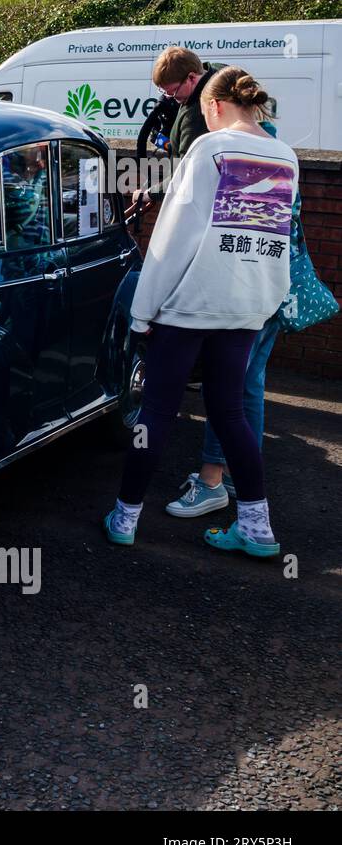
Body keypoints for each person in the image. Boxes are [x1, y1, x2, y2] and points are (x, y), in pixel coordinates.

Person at [104, 66, 297, 559]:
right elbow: (274, 244)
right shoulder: (286, 157)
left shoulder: (211, 149)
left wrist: (143, 310)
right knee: (231, 414)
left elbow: (173, 237)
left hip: (189, 307)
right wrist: (263, 302)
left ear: (213, 105)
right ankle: (257, 527)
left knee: (156, 413)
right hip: (246, 309)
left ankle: (125, 516)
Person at [132, 47, 218, 210]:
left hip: (199, 204)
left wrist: (148, 194)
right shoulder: (216, 72)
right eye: (164, 92)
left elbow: (184, 177)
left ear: (191, 77)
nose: (171, 98)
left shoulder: (195, 116)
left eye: (173, 91)